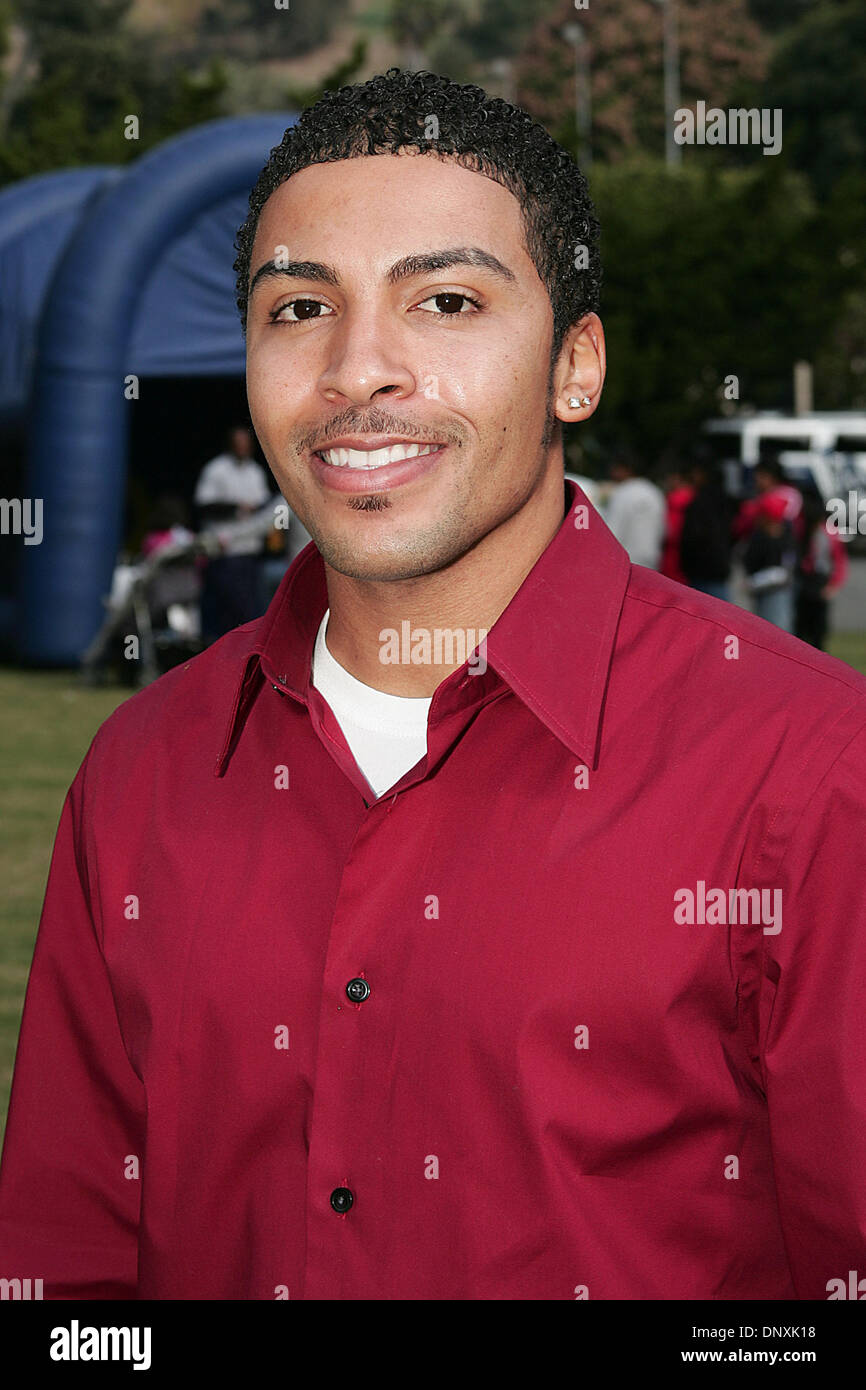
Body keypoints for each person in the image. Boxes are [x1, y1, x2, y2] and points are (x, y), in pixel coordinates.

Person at [1, 68, 865, 1303]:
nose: (359, 370)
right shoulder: (140, 771)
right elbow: (67, 1276)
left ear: (575, 366)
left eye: (446, 299)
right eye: (299, 308)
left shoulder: (812, 773)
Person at [194, 425, 272, 641]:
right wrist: (237, 508)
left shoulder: (255, 472)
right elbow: (204, 505)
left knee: (250, 615)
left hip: (249, 554)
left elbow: (263, 506)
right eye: (238, 443)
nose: (243, 447)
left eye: (246, 443)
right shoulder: (216, 470)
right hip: (225, 553)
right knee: (225, 615)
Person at [794, 487, 849, 650]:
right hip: (803, 580)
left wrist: (833, 585)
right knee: (800, 628)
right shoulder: (800, 531)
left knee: (819, 629)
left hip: (820, 581)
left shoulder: (829, 534)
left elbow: (839, 561)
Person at [678, 454, 736, 600]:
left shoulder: (700, 502)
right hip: (719, 569)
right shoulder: (726, 500)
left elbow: (694, 537)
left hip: (702, 571)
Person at [742, 493, 797, 631]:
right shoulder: (758, 537)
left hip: (777, 593)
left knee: (779, 630)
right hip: (761, 593)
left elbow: (785, 571)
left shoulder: (785, 538)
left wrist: (757, 581)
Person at [603, 450, 666, 568]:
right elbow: (663, 529)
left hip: (626, 563)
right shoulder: (654, 492)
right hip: (652, 562)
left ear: (623, 468)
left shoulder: (622, 493)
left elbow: (612, 532)